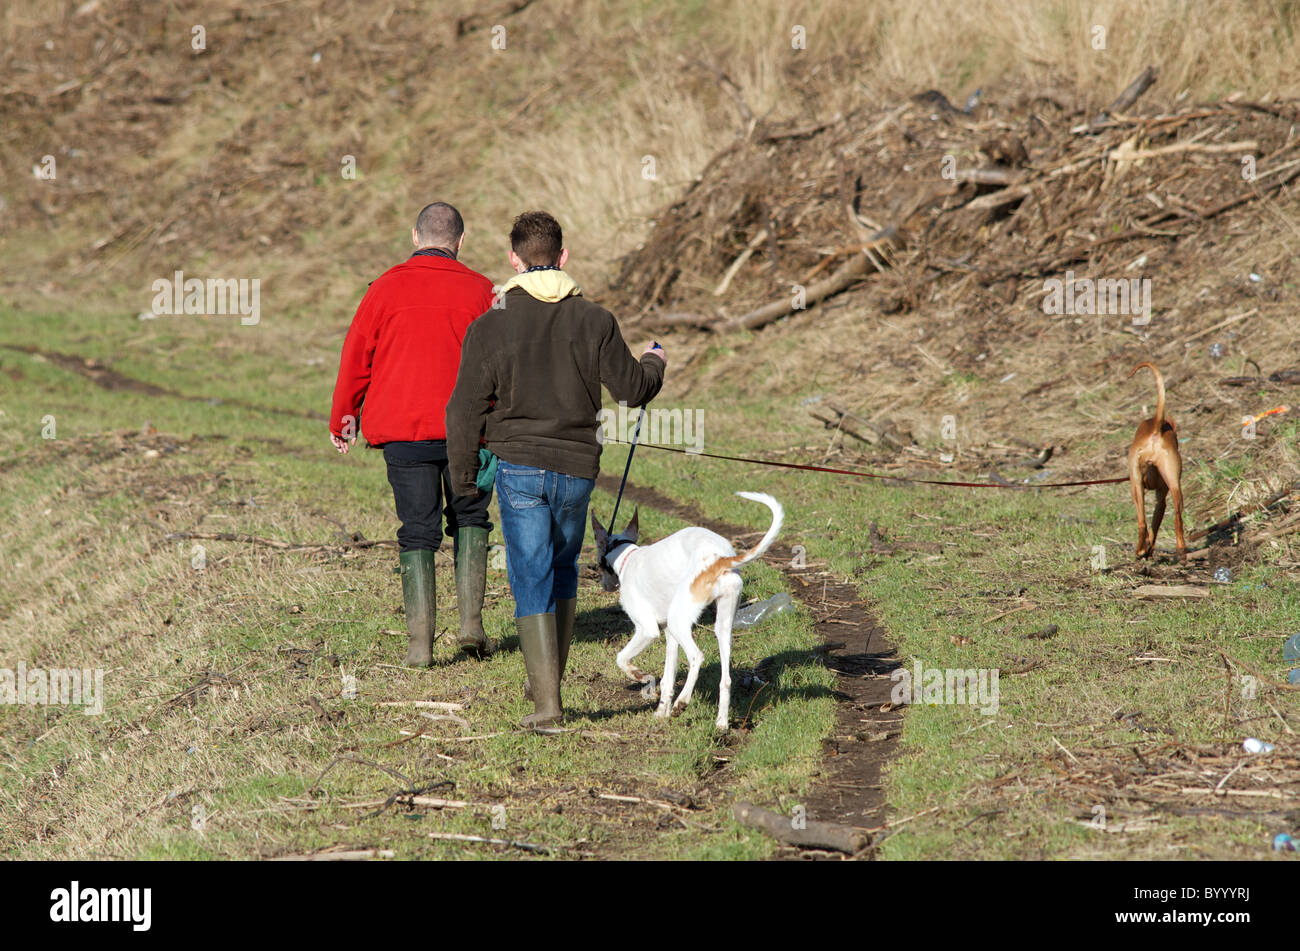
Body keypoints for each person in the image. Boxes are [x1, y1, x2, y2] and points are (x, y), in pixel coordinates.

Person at [446, 210, 666, 728]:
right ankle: (549, 684)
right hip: (576, 469)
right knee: (563, 569)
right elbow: (634, 390)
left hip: (518, 467)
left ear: (514, 261)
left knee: (530, 575)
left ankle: (547, 705)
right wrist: (655, 360)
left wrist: (461, 483)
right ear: (563, 258)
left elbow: (463, 411)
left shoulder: (491, 324)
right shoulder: (595, 320)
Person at [329, 202, 496, 666]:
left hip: (403, 431)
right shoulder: (484, 291)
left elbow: (355, 358)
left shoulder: (383, 289)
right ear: (461, 241)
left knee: (417, 532)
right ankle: (471, 625)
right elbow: (503, 365)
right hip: (469, 432)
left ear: (414, 237)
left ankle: (420, 647)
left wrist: (344, 419)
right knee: (470, 519)